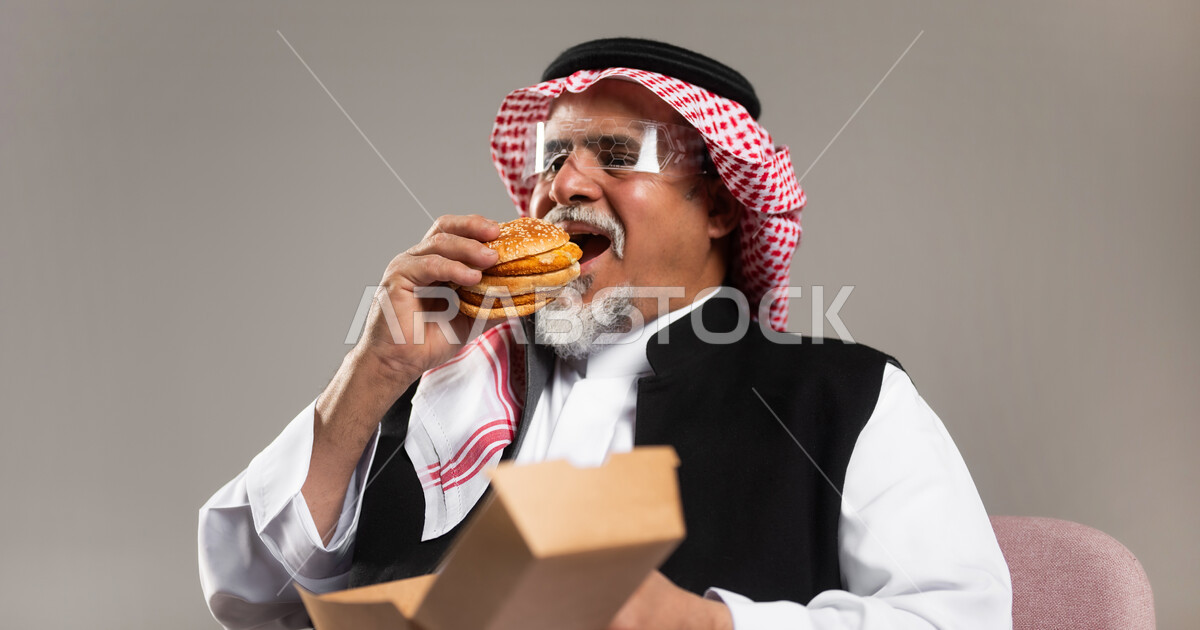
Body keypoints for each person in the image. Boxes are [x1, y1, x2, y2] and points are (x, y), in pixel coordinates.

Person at [199, 38, 1012, 629]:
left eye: (616, 156)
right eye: (551, 162)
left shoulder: (844, 398)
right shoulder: (440, 385)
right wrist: (372, 372)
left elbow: (957, 619)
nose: (564, 185)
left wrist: (707, 628)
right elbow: (250, 595)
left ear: (724, 206)